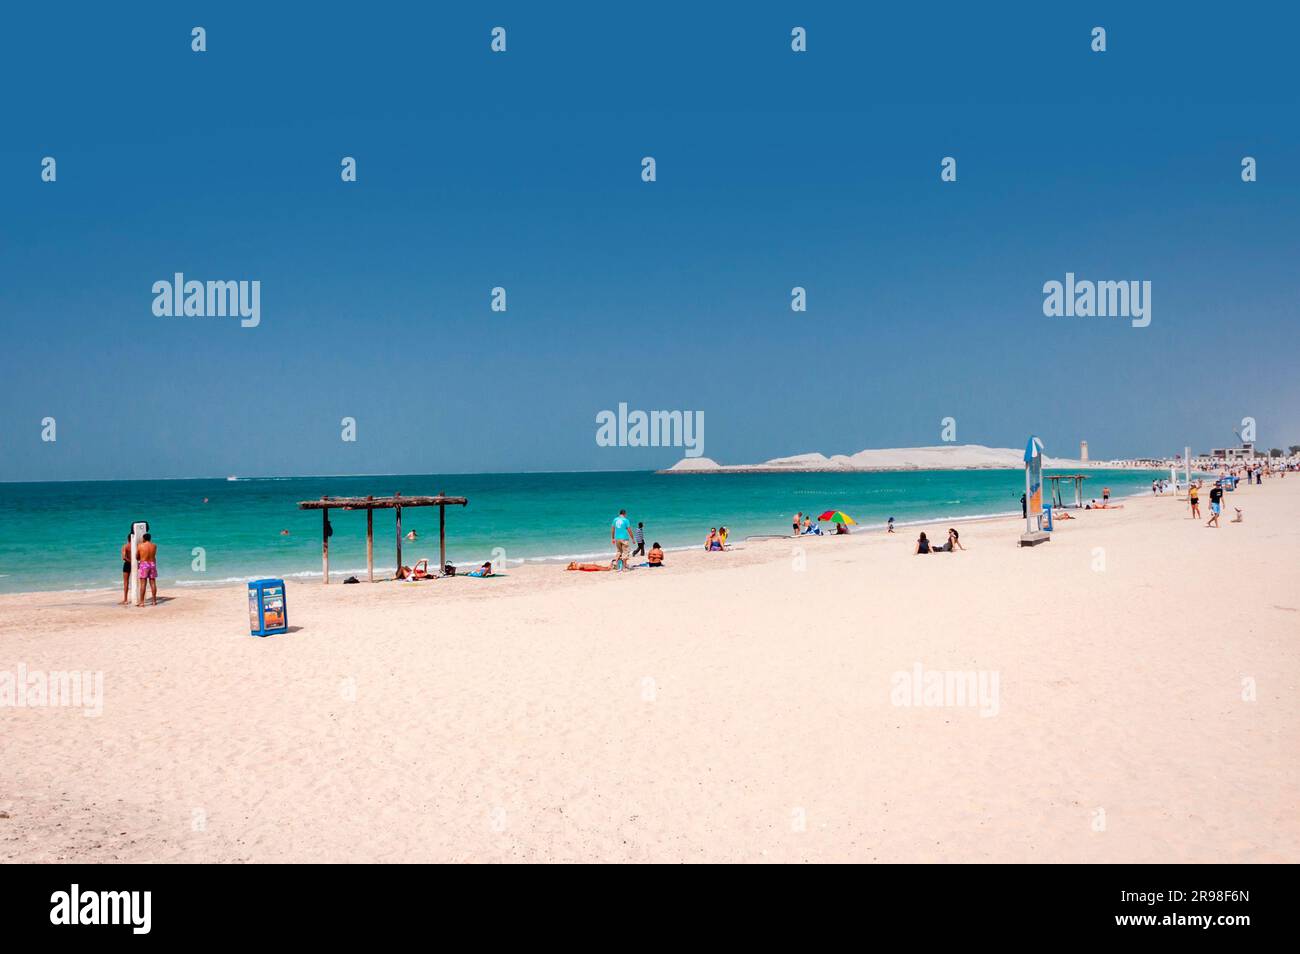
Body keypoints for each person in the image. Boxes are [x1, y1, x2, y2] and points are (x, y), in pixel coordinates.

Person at [135, 533, 158, 606]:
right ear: (150, 538)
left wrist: (140, 558)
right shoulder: (154, 546)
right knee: (153, 583)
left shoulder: (140, 545)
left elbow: (137, 556)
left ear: (144, 538)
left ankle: (142, 602)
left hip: (144, 564)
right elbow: (154, 555)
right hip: (152, 564)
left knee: (143, 583)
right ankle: (154, 601)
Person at [120, 533, 133, 604]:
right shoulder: (136, 546)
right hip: (135, 564)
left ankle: (125, 599)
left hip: (127, 564)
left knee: (126, 582)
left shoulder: (125, 546)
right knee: (139, 581)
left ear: (128, 539)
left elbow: (124, 557)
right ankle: (140, 598)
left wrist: (130, 562)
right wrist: (134, 562)